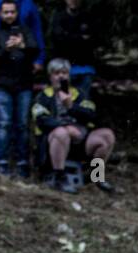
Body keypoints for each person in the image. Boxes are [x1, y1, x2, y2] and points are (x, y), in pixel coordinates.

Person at [0, 0, 45, 154]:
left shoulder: (28, 5)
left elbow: (37, 31)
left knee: (21, 109)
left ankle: (17, 148)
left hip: (21, 64)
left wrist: (39, 58)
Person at [31, 58, 116, 192]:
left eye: (64, 73)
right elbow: (41, 120)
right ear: (50, 76)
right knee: (61, 133)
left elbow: (91, 115)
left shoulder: (79, 94)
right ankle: (59, 178)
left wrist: (71, 106)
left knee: (106, 135)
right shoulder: (43, 96)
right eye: (56, 73)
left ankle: (96, 176)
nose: (61, 76)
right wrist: (66, 127)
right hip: (52, 144)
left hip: (79, 141)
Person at [0, 0, 38, 177]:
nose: (9, 15)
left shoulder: (26, 31)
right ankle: (2, 160)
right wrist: (6, 48)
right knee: (4, 123)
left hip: (24, 83)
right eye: (6, 12)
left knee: (22, 124)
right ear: (0, 14)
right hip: (2, 84)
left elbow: (35, 49)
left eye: (12, 12)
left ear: (17, 13)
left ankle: (22, 160)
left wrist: (22, 45)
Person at [47, 0, 97, 98]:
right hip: (63, 70)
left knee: (82, 103)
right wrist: (80, 38)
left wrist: (68, 36)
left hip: (85, 69)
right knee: (64, 102)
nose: (73, 1)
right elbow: (58, 40)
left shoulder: (88, 17)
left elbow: (93, 40)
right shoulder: (58, 17)